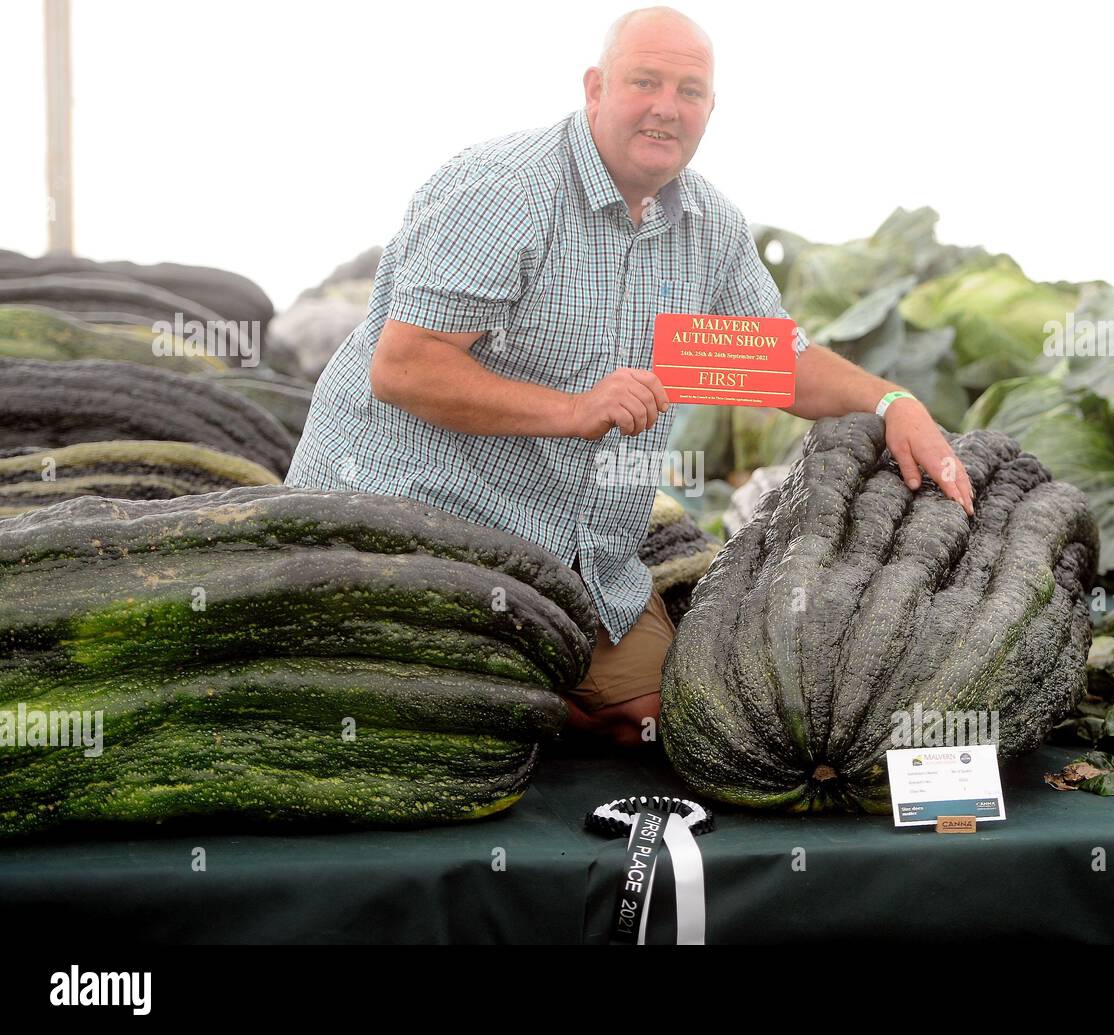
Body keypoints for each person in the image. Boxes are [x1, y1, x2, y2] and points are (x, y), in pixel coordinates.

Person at [285, 5, 975, 749]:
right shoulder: (506, 189)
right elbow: (403, 367)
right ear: (595, 87)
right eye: (644, 82)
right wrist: (574, 410)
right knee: (444, 721)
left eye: (689, 90)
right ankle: (508, 705)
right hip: (412, 520)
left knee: (655, 721)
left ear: (711, 108)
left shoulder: (707, 225)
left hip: (574, 552)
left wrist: (892, 400)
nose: (665, 107)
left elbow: (778, 365)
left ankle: (543, 705)